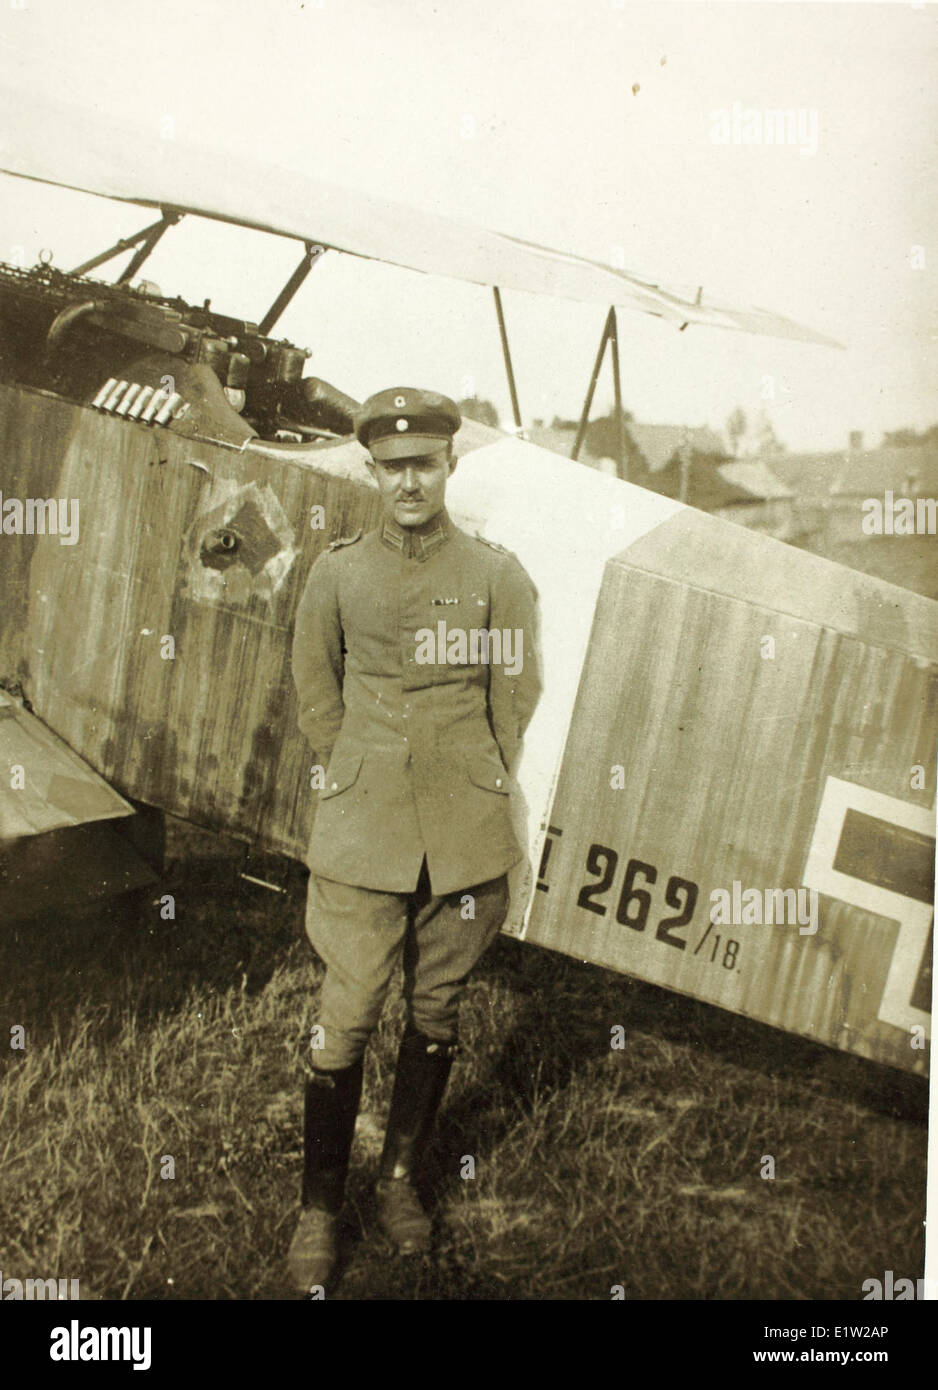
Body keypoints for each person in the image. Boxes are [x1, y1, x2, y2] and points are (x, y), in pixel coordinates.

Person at [287, 387, 541, 1290]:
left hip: (465, 835)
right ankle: (319, 1210)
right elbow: (316, 686)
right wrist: (353, 768)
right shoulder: (339, 572)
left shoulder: (498, 576)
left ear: (448, 468)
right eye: (391, 467)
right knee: (347, 1013)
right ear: (372, 470)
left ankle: (397, 1184)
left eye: (423, 465)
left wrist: (473, 772)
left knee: (437, 1013)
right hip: (363, 832)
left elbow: (515, 692)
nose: (407, 481)